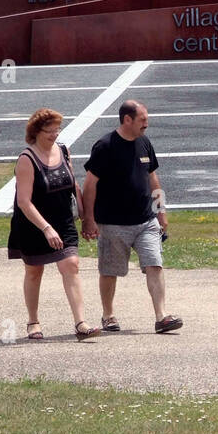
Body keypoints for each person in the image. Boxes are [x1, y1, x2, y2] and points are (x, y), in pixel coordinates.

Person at [81, 100, 182, 333]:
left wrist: (161, 211)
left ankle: (161, 317)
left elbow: (153, 178)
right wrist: (89, 219)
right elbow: (90, 185)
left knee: (154, 264)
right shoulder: (105, 146)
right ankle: (108, 315)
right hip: (113, 223)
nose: (146, 124)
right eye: (142, 120)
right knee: (110, 271)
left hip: (146, 220)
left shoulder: (144, 142)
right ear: (127, 119)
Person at [7, 108, 99, 341]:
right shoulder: (26, 159)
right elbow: (24, 201)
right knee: (34, 271)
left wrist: (86, 217)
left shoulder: (64, 150)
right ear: (36, 132)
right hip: (33, 224)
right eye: (49, 131)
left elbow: (73, 184)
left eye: (57, 129)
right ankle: (33, 322)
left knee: (71, 264)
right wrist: (46, 228)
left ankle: (81, 323)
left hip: (63, 220)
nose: (55, 134)